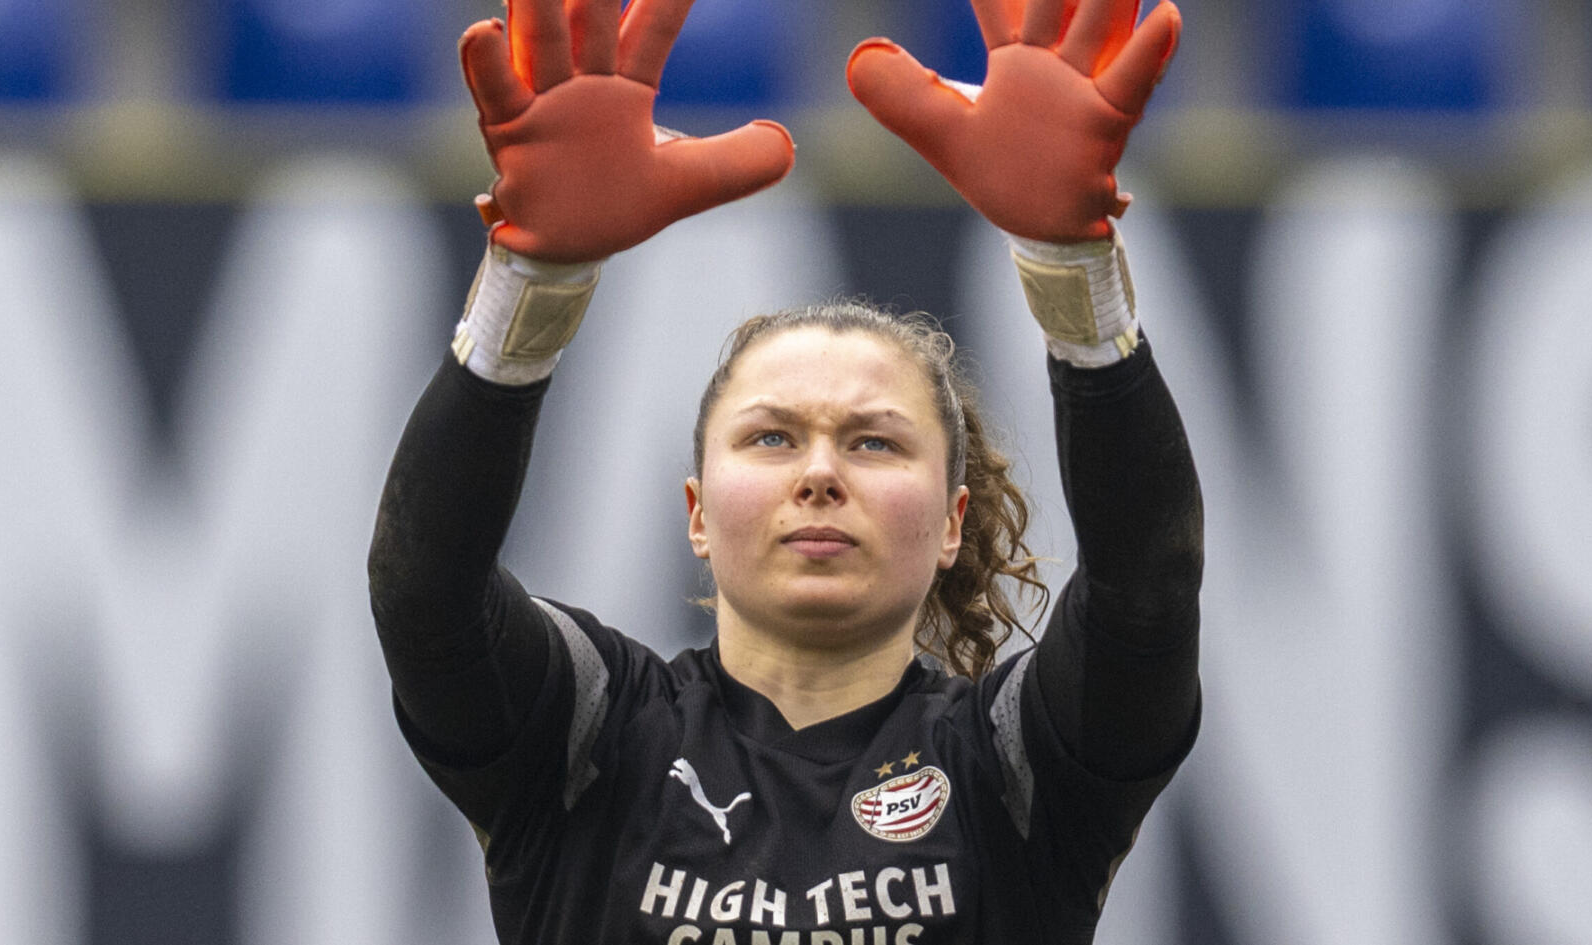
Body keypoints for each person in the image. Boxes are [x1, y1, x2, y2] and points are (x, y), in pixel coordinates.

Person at [366, 0, 1201, 941]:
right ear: (696, 512)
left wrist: (1073, 274)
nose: (820, 474)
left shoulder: (1014, 768)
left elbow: (1149, 594)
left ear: (953, 521)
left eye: (875, 442)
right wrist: (529, 289)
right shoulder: (594, 737)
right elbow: (426, 594)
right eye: (770, 438)